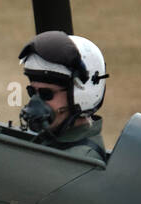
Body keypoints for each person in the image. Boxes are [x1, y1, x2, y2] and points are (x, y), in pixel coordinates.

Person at [17, 30, 109, 160]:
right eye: (32, 92)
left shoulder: (79, 160)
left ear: (81, 95)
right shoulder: (55, 140)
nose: (35, 102)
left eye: (46, 93)